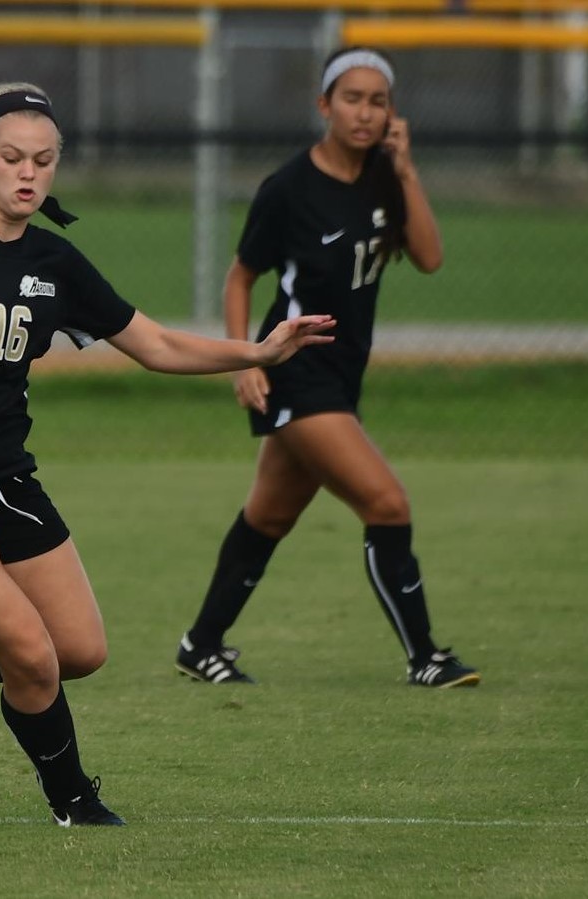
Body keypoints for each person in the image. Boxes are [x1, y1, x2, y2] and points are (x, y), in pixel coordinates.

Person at [0, 82, 335, 826]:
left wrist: (258, 349)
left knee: (79, 649)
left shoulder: (54, 262)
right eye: (10, 157)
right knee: (30, 653)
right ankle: (75, 802)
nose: (27, 173)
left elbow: (153, 344)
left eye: (43, 159)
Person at [172, 47, 480, 689]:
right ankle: (426, 656)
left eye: (378, 101)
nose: (365, 112)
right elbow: (240, 277)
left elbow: (429, 257)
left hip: (341, 378)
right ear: (324, 106)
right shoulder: (288, 188)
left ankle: (200, 645)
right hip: (294, 370)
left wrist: (406, 168)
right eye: (351, 98)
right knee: (387, 503)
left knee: (270, 516)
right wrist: (242, 361)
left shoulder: (385, 176)